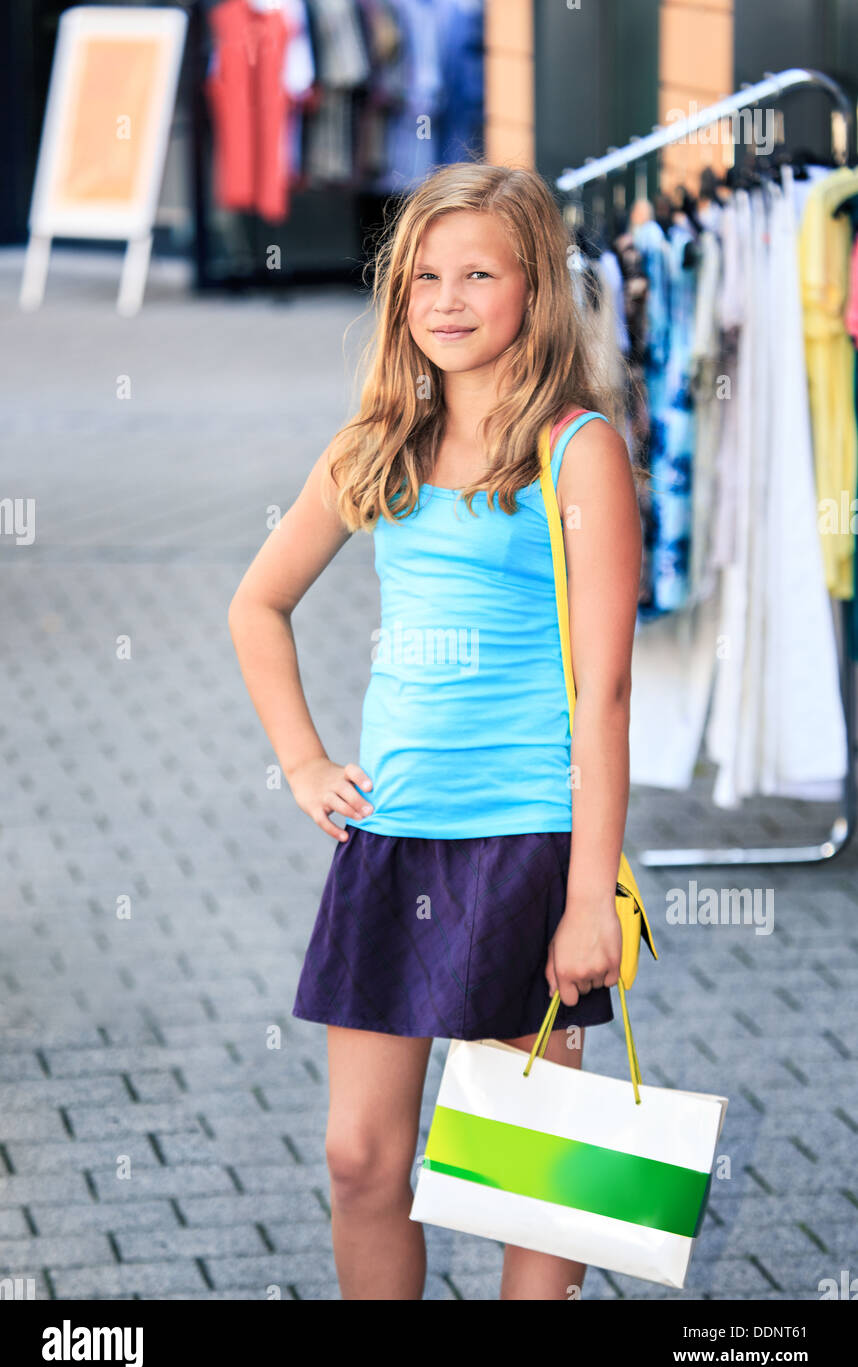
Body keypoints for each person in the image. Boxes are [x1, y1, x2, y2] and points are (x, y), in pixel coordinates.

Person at [228, 161, 644, 1301]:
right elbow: (255, 604)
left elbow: (602, 695)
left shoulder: (575, 452)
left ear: (534, 293)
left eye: (478, 273)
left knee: (525, 1171)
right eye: (423, 277)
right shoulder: (377, 444)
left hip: (523, 846)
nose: (447, 298)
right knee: (359, 1158)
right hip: (391, 843)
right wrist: (303, 761)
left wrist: (585, 897)